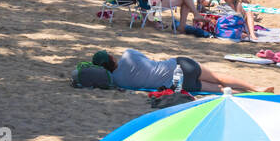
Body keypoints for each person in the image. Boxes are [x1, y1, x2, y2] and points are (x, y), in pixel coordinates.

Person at [92, 48, 267, 95]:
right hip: (178, 65)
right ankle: (254, 87)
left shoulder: (118, 81)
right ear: (112, 58)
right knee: (217, 77)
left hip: (177, 84)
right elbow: (147, 60)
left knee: (219, 89)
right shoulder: (128, 54)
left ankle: (245, 94)